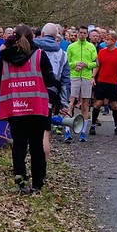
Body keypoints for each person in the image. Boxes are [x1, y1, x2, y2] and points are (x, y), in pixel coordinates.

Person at [0, 24, 60, 195]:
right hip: (37, 107)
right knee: (36, 146)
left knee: (19, 146)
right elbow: (50, 79)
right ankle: (37, 183)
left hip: (15, 108)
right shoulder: (39, 55)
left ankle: (21, 183)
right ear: (33, 38)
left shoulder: (5, 57)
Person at [34, 23, 71, 159]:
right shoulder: (63, 55)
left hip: (29, 92)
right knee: (44, 132)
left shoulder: (31, 49)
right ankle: (42, 169)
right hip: (49, 96)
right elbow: (65, 82)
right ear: (56, 37)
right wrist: (63, 103)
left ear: (42, 34)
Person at [91, 30, 117, 135]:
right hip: (102, 81)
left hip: (113, 82)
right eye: (105, 39)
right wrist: (93, 77)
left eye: (108, 39)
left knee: (114, 105)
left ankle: (116, 126)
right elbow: (97, 65)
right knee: (98, 103)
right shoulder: (102, 52)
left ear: (114, 41)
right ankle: (93, 125)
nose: (105, 41)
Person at [66, 25, 98, 143]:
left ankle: (83, 132)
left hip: (86, 77)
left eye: (85, 33)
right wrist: (76, 64)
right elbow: (67, 62)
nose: (83, 35)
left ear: (87, 35)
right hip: (74, 76)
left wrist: (86, 64)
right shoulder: (71, 47)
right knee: (70, 103)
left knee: (85, 105)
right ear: (77, 34)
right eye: (81, 33)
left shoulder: (91, 47)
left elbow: (96, 63)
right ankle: (67, 131)